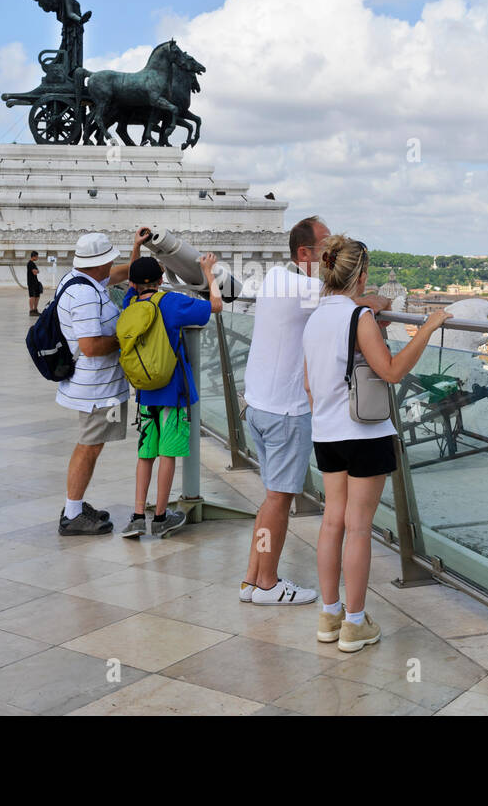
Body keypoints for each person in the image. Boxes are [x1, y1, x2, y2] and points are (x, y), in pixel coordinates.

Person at [303, 234, 451, 651]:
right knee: (359, 527)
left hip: (326, 432)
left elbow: (308, 382)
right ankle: (355, 623)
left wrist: (370, 305)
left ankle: (329, 616)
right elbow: (390, 371)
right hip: (365, 433)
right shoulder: (359, 320)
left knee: (332, 522)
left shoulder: (315, 317)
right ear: (362, 275)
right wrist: (428, 328)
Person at [238, 216, 390, 607]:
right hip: (285, 412)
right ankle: (268, 583)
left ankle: (252, 579)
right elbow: (354, 301)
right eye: (326, 248)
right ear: (305, 254)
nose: (332, 254)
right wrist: (373, 301)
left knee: (271, 498)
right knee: (278, 499)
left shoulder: (276, 279)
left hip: (258, 404)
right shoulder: (306, 288)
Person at [119, 253, 222, 539]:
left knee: (145, 454)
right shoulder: (172, 302)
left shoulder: (130, 303)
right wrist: (208, 272)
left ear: (133, 283)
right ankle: (161, 517)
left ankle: (138, 516)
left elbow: (132, 282)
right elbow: (216, 305)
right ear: (161, 280)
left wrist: (136, 246)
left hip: (145, 392)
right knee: (168, 454)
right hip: (174, 391)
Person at [56, 229, 147, 536]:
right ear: (99, 265)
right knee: (89, 446)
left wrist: (136, 248)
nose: (113, 267)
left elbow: (126, 273)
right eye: (109, 261)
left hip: (97, 385)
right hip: (95, 388)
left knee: (91, 445)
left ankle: (76, 507)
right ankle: (72, 514)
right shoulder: (84, 293)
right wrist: (128, 335)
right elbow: (92, 346)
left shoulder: (81, 279)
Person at [27, 251, 43, 316]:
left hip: (36, 282)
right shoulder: (30, 263)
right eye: (37, 256)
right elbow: (35, 272)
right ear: (34, 256)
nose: (37, 258)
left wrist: (37, 271)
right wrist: (37, 271)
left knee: (37, 296)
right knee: (32, 296)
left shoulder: (33, 264)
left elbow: (37, 271)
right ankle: (31, 310)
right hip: (31, 283)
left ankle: (35, 309)